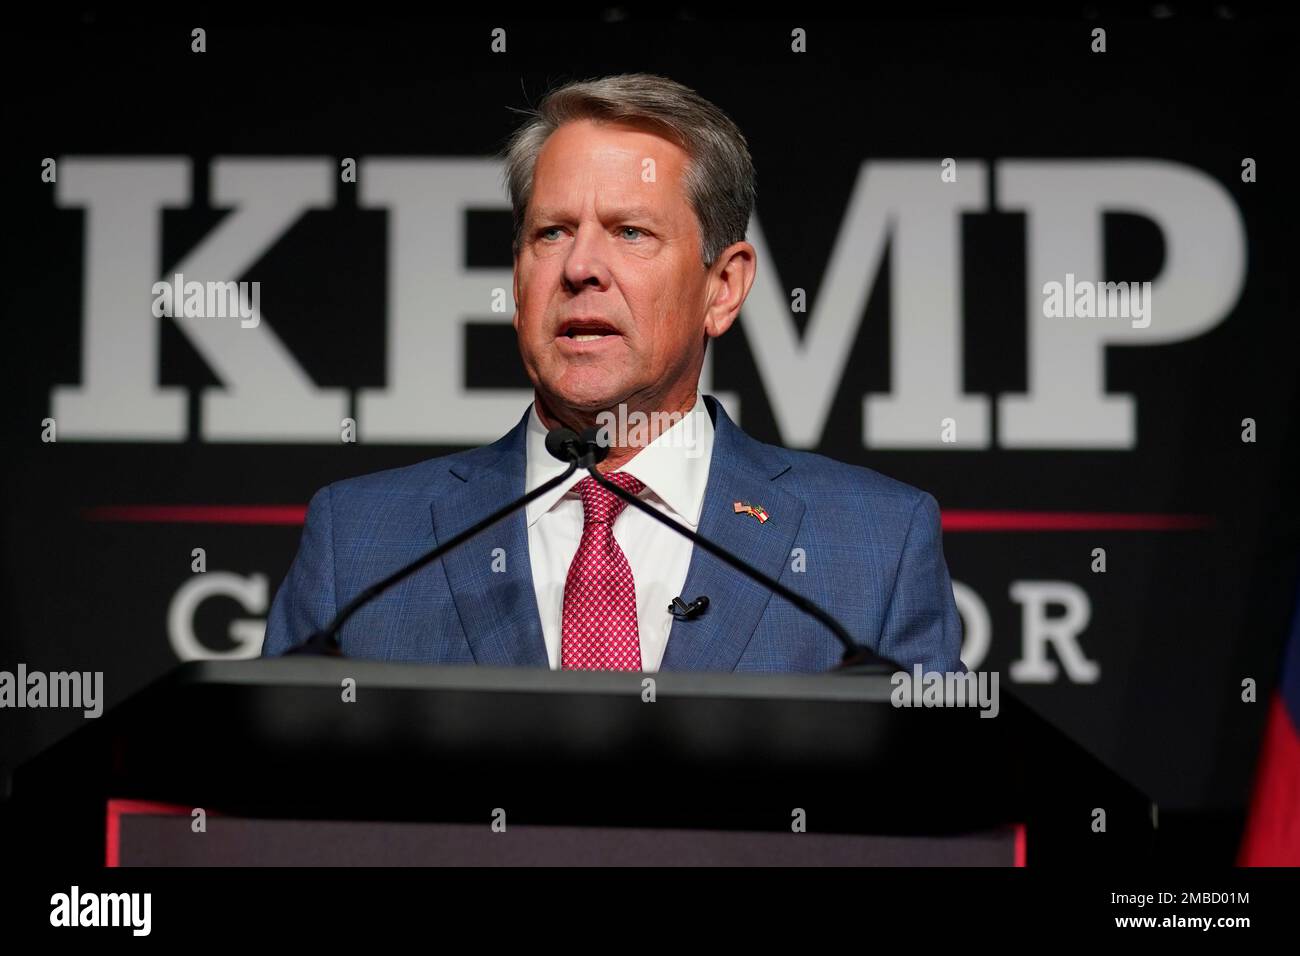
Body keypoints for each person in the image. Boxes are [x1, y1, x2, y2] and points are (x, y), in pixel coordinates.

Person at [262, 73, 963, 673]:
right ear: (516, 275)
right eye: (551, 232)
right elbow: (271, 813)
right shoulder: (360, 544)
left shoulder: (872, 547)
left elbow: (935, 819)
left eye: (631, 232)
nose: (579, 268)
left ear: (723, 287)